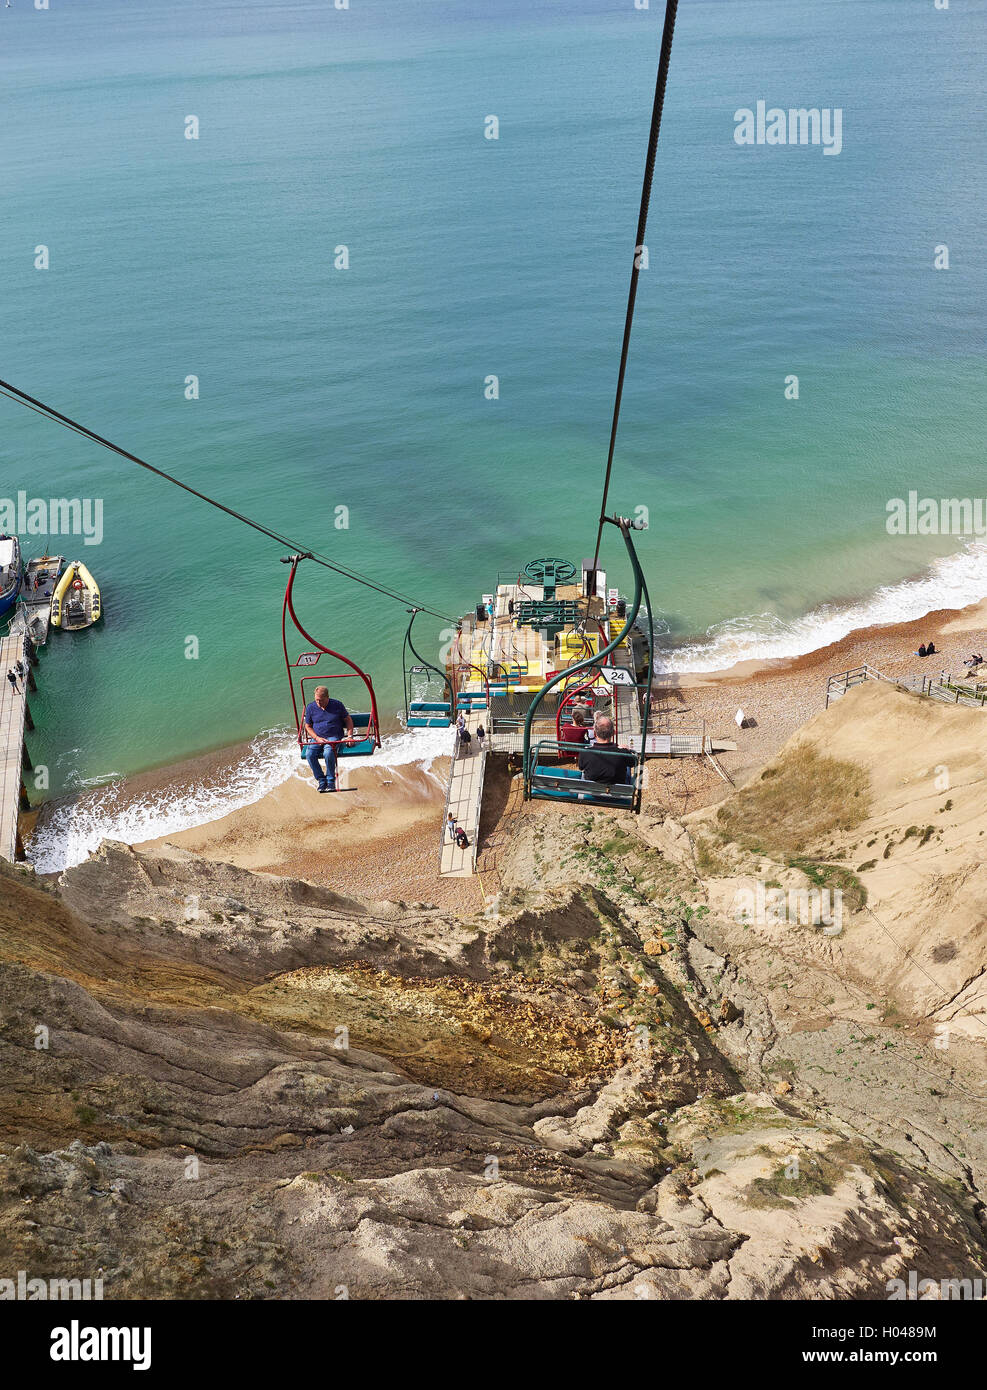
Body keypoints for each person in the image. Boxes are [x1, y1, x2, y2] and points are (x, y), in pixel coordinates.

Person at [302, 685, 355, 792]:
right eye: (316, 700)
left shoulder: (337, 705)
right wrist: (317, 738)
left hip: (334, 735)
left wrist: (350, 736)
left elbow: (348, 720)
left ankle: (330, 780)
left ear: (327, 697)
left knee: (328, 752)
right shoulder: (311, 707)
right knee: (309, 754)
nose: (318, 703)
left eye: (321, 700)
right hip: (318, 737)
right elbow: (307, 726)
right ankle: (321, 780)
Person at [578, 714, 636, 785]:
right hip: (618, 793)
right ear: (613, 733)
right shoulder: (623, 753)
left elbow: (581, 767)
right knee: (627, 768)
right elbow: (633, 762)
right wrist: (626, 750)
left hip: (592, 793)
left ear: (595, 734)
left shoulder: (585, 753)